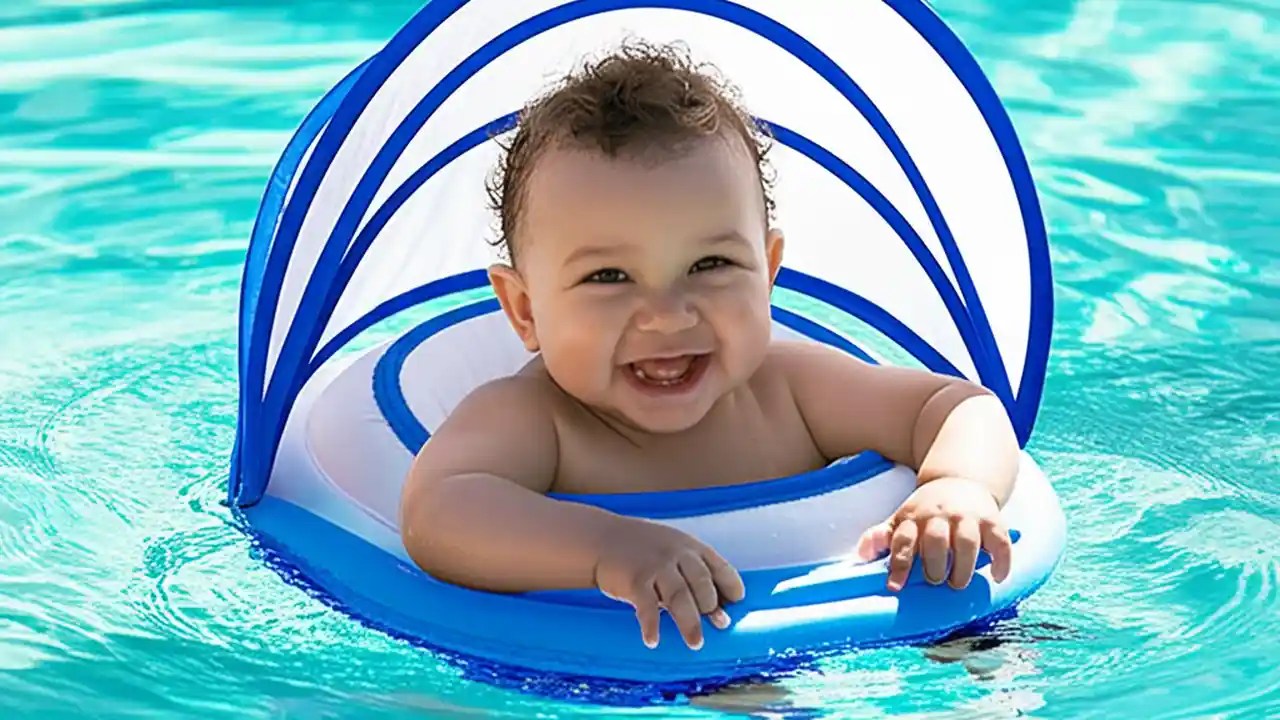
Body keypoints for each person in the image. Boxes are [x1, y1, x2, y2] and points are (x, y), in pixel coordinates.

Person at [399, 40, 1019, 653]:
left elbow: (958, 406)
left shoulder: (789, 391)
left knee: (999, 654)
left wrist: (958, 488)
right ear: (525, 309)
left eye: (711, 263)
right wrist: (606, 549)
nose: (668, 317)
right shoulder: (536, 420)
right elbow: (439, 513)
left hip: (843, 634)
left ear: (768, 272)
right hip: (616, 665)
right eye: (608, 277)